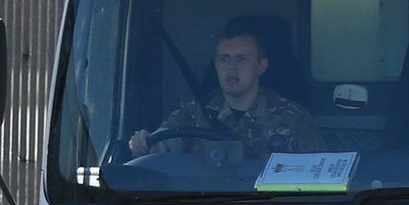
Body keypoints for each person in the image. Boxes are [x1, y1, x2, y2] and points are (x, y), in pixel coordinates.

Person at [128, 23, 323, 158]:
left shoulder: (294, 117)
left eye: (241, 58)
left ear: (261, 66)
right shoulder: (192, 112)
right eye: (224, 58)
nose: (231, 67)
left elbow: (317, 178)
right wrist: (144, 143)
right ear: (216, 64)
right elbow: (162, 147)